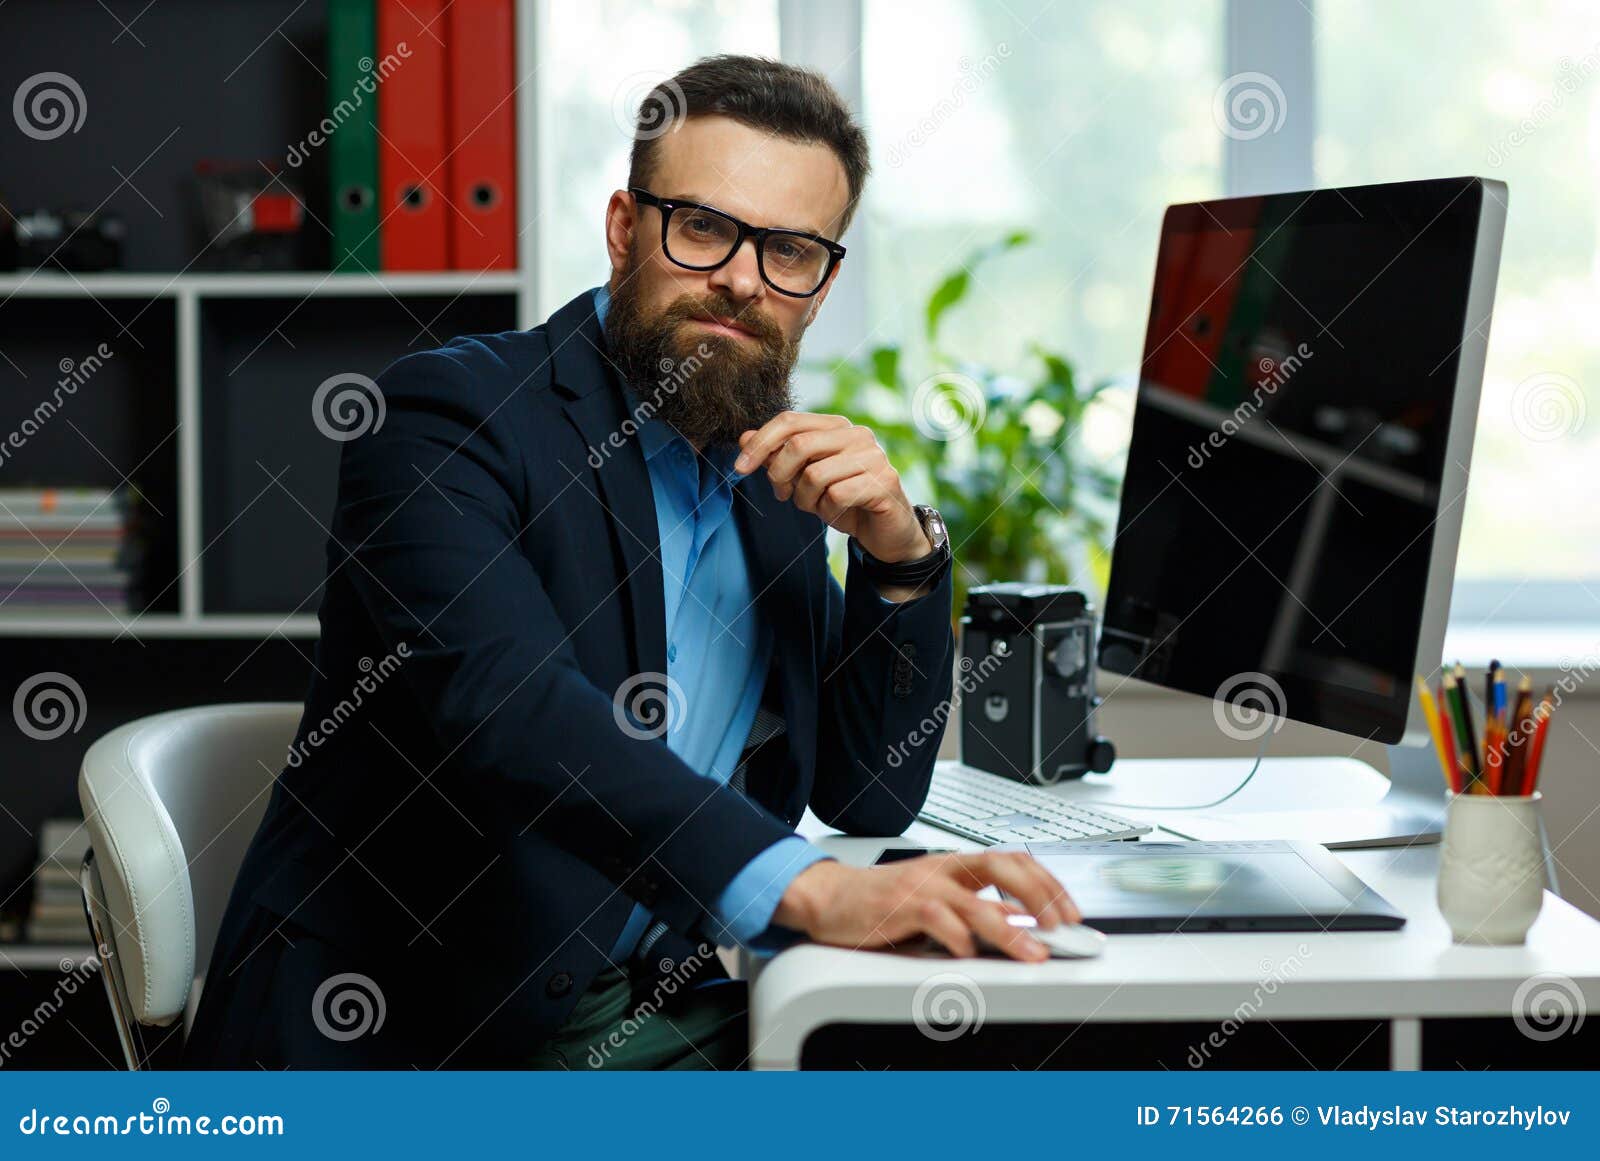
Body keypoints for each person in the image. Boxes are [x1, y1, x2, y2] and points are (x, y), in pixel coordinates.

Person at [188, 53, 1076, 1071]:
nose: (741, 279)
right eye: (703, 228)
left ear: (820, 286)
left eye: (787, 250)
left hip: (665, 1004)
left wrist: (899, 556)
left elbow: (868, 793)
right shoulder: (446, 417)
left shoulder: (766, 469)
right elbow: (504, 703)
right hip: (429, 1031)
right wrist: (805, 888)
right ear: (623, 229)